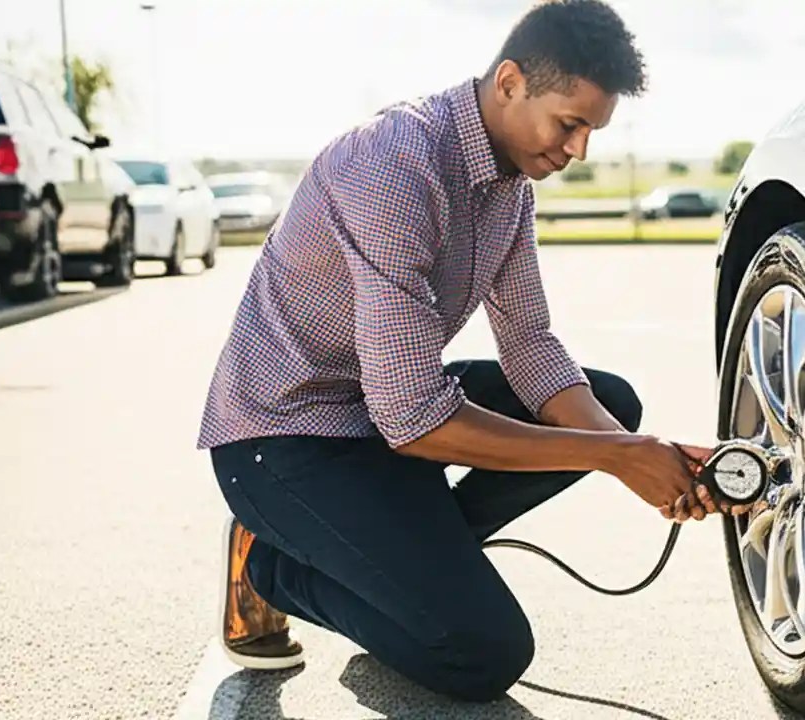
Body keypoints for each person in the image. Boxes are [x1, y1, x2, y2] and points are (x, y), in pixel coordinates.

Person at [196, 0, 734, 703]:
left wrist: (644, 452)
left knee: (615, 407)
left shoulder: (510, 185)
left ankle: (402, 559)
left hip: (379, 413)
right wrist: (615, 457)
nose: (578, 152)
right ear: (509, 81)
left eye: (591, 133)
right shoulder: (393, 165)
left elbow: (531, 345)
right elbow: (415, 419)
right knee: (481, 653)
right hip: (286, 439)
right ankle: (278, 565)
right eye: (569, 124)